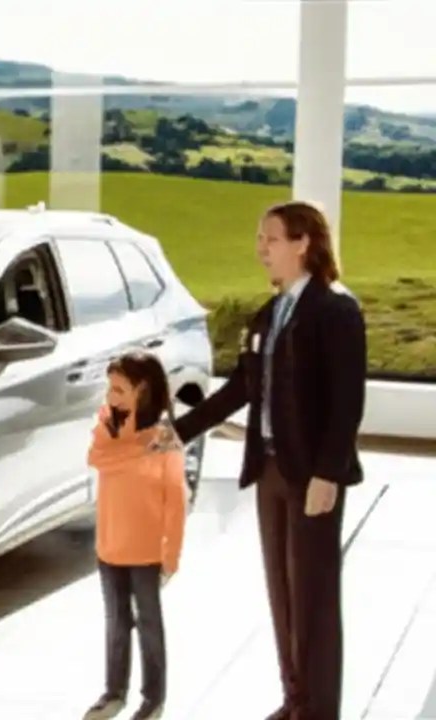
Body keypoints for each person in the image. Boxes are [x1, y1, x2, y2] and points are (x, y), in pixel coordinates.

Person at [171, 200, 367, 720]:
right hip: (271, 470)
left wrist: (329, 473)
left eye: (271, 239)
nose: (261, 249)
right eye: (260, 239)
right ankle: (295, 700)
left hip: (312, 477)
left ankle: (320, 710)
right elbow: (241, 387)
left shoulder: (336, 309)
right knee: (282, 594)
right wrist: (179, 430)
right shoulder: (270, 313)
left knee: (314, 601)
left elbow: (347, 401)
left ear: (304, 242)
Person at [83, 352, 187, 720]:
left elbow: (176, 499)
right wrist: (141, 449)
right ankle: (114, 693)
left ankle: (153, 698)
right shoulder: (108, 424)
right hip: (109, 545)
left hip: (146, 551)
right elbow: (97, 459)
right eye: (109, 389)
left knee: (149, 623)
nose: (110, 397)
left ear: (141, 390)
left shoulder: (166, 439)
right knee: (115, 622)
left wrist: (171, 553)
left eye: (119, 390)